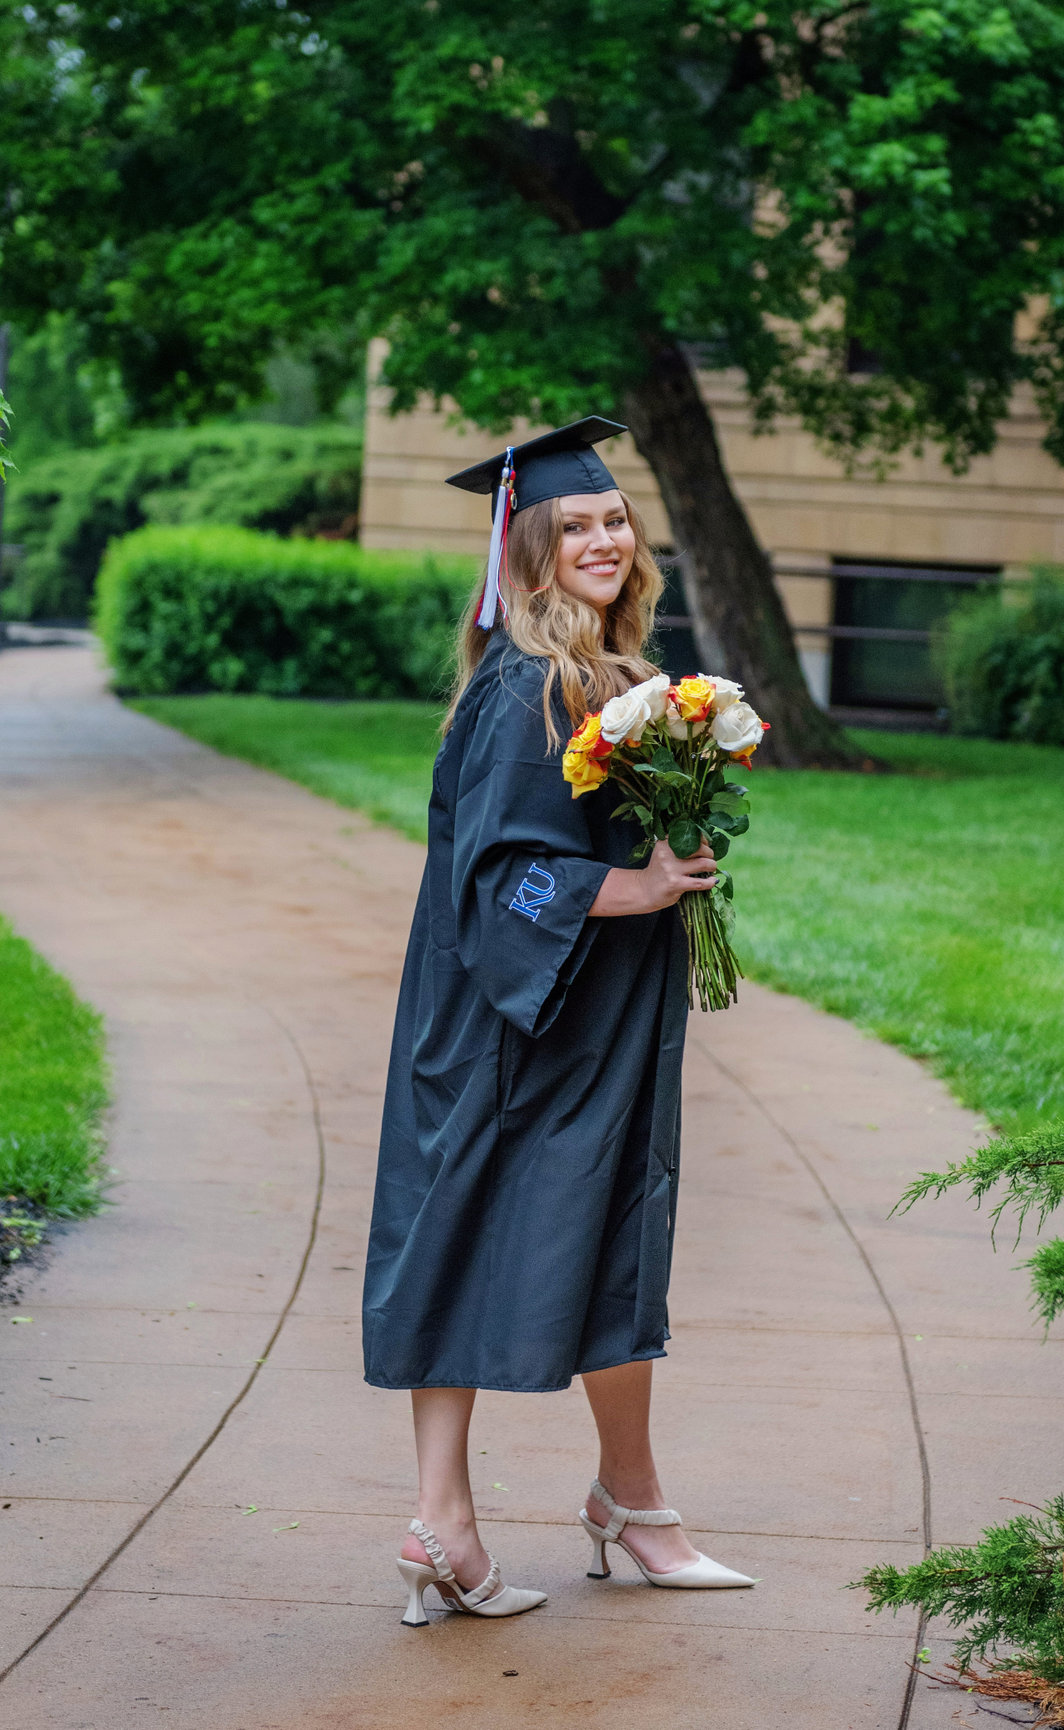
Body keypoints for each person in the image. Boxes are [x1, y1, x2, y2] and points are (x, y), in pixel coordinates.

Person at [362, 418, 755, 1627]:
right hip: (510, 1027)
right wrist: (628, 887)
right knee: (468, 1231)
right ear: (525, 555)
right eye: (572, 525)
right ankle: (485, 1514)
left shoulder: (620, 675)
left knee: (606, 1232)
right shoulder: (525, 686)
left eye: (614, 519)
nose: (602, 536)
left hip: (585, 1014)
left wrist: (673, 839)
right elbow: (494, 878)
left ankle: (592, 1503)